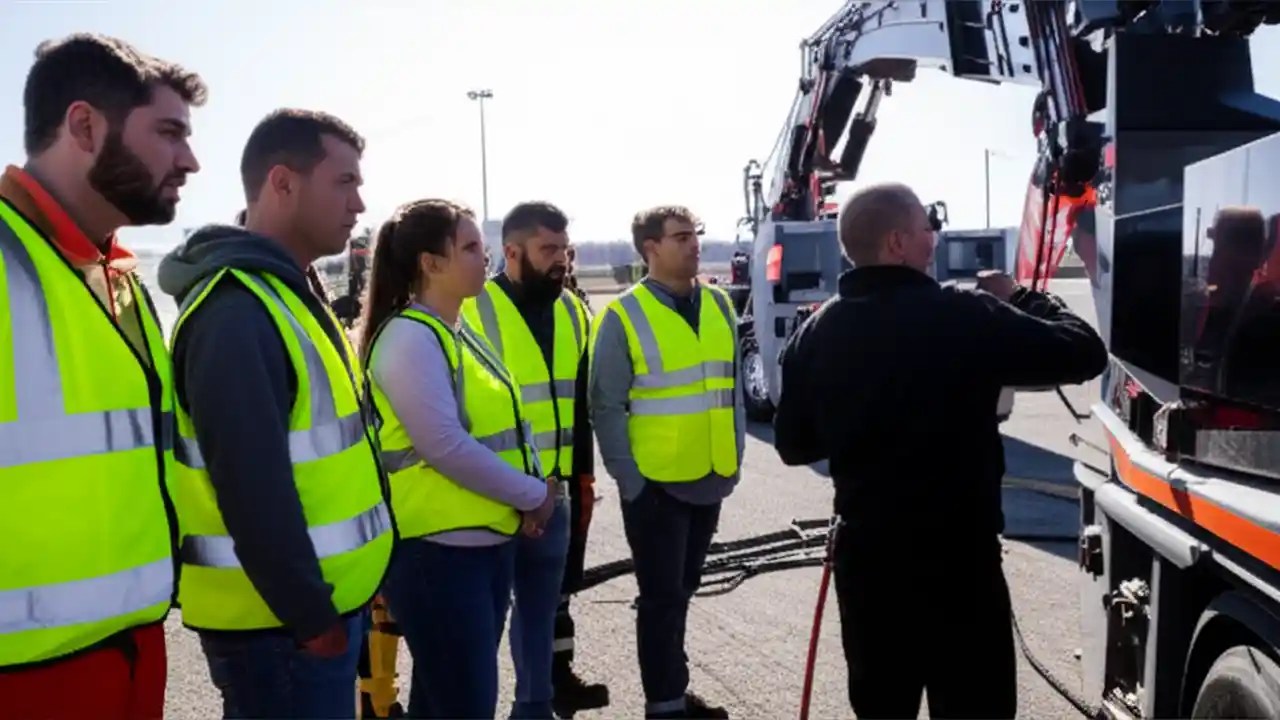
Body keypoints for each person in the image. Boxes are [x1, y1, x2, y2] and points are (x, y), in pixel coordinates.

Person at [773, 182, 1108, 719]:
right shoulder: (964, 314)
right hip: (958, 565)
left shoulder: (814, 332)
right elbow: (1084, 352)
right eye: (926, 226)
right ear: (897, 242)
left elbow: (794, 445)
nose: (934, 236)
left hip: (870, 566)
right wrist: (1020, 298)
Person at [156, 108, 393, 718]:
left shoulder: (289, 289)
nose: (360, 203)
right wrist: (312, 619)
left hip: (311, 620)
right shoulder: (237, 313)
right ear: (283, 183)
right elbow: (251, 491)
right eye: (345, 182)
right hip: (283, 634)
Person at [0, 33, 205, 720]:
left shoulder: (119, 278)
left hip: (130, 653)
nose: (191, 160)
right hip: (25, 681)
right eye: (169, 133)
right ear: (85, 126)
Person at [359, 199, 557, 719]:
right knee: (465, 705)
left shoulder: (459, 332)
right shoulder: (409, 338)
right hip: (438, 556)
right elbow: (444, 445)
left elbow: (510, 429)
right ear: (431, 263)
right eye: (469, 247)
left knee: (444, 704)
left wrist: (528, 499)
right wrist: (533, 494)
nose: (484, 257)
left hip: (484, 548)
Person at [589, 205, 743, 719]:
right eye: (681, 237)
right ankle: (665, 705)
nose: (695, 244)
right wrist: (630, 481)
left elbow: (732, 390)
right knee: (661, 599)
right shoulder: (623, 315)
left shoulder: (719, 303)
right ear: (651, 248)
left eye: (696, 234)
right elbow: (605, 405)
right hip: (656, 487)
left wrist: (735, 457)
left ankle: (674, 691)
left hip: (711, 476)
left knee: (683, 591)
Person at [459, 202, 609, 719]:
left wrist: (580, 481)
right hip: (489, 495)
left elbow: (580, 407)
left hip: (555, 494)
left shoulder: (574, 312)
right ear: (512, 252)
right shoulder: (470, 310)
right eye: (548, 249)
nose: (561, 260)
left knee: (541, 615)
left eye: (565, 249)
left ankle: (534, 708)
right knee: (482, 625)